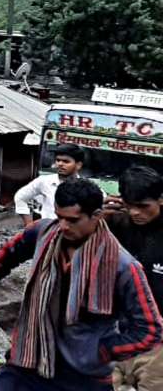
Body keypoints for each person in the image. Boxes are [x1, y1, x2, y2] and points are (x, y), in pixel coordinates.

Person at [0, 178, 162, 391]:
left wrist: (101, 351)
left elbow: (150, 329)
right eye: (59, 217)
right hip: (29, 360)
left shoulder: (123, 266)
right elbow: (6, 254)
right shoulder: (43, 232)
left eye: (72, 220)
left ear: (96, 216)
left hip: (82, 375)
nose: (63, 226)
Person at [105, 166, 163, 391]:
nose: (135, 213)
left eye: (143, 207)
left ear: (160, 199)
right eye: (129, 206)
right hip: (119, 335)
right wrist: (97, 219)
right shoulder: (116, 224)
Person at [15, 144, 85, 223]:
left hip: (73, 232)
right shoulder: (44, 181)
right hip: (48, 231)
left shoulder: (86, 187)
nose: (60, 164)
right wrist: (29, 225)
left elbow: (100, 210)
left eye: (66, 161)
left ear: (78, 165)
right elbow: (20, 197)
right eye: (58, 160)